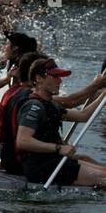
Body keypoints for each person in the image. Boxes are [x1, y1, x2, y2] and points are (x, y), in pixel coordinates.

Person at [14, 59, 106, 187]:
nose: (60, 81)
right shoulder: (33, 106)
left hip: (53, 160)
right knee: (103, 179)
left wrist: (104, 95)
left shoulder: (51, 104)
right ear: (39, 78)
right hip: (41, 167)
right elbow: (23, 141)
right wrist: (59, 148)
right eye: (55, 76)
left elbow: (83, 116)